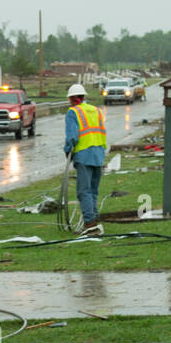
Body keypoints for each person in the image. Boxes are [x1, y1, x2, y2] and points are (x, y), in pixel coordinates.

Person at [63, 83, 107, 236]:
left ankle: (89, 223)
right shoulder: (96, 111)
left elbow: (72, 137)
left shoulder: (73, 112)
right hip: (99, 154)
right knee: (93, 190)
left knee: (84, 191)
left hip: (83, 155)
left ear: (73, 99)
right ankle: (94, 218)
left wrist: (67, 150)